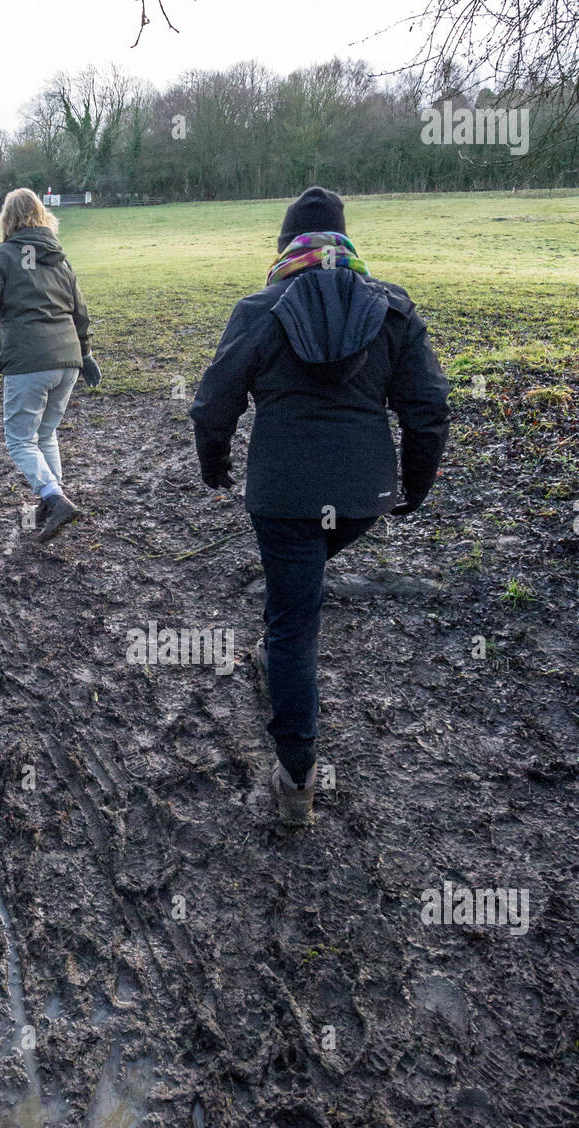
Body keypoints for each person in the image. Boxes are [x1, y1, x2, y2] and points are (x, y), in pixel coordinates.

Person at [190, 186, 450, 826]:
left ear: (286, 246)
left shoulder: (260, 308)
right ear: (345, 241)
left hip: (283, 494)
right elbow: (428, 408)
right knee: (298, 593)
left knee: (293, 622)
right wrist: (415, 484)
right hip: (363, 495)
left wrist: (214, 464)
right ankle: (288, 697)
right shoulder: (392, 307)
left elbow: (213, 404)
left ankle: (297, 777)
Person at [0, 187, 101, 541]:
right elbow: (79, 312)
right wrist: (86, 354)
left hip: (30, 361)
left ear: (7, 218)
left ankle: (53, 498)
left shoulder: (1, 257)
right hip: (67, 362)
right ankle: (54, 499)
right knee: (45, 434)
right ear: (41, 215)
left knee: (19, 440)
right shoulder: (59, 259)